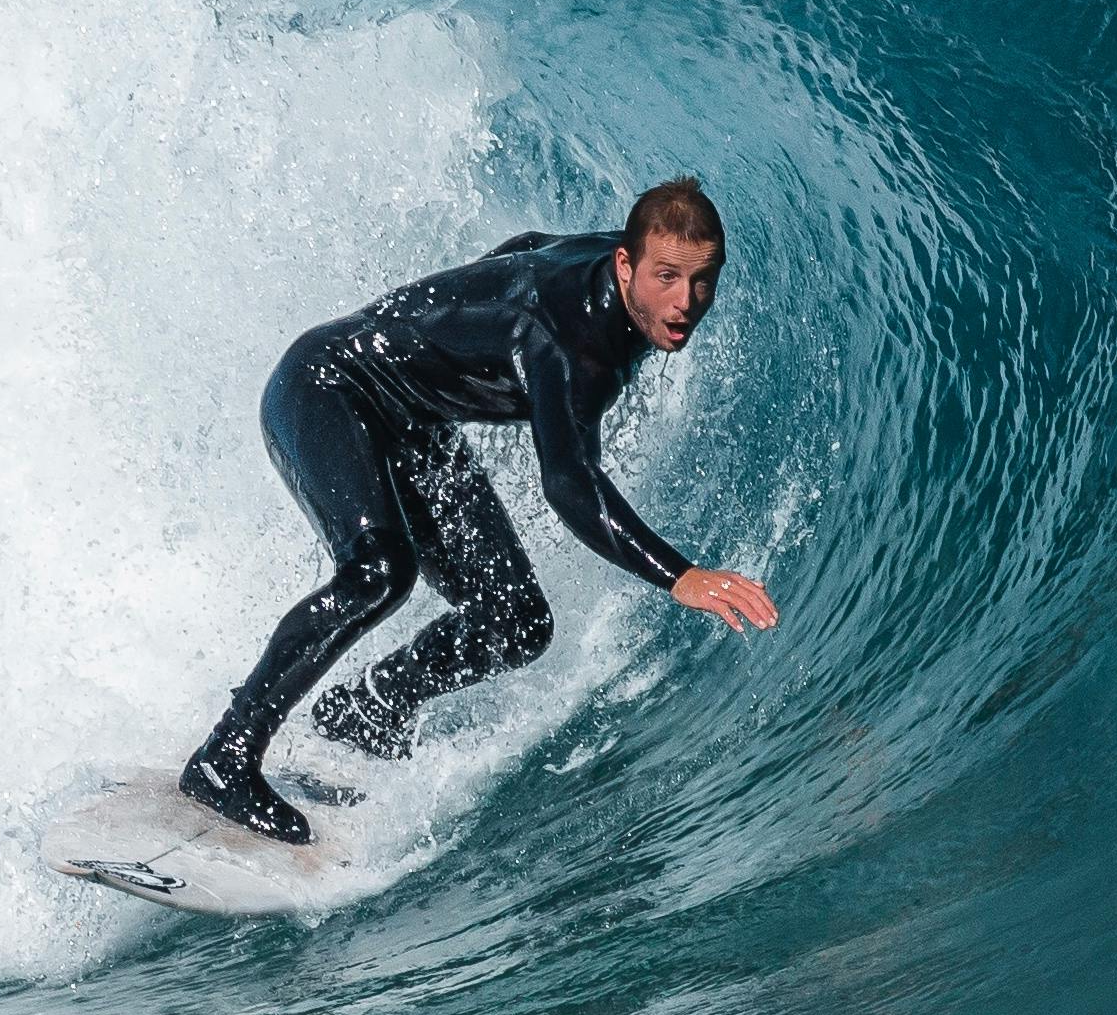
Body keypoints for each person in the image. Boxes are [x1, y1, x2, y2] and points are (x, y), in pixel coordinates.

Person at [181, 176, 778, 844]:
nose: (683, 303)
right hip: (326, 384)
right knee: (378, 574)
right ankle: (223, 759)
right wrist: (678, 575)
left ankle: (365, 711)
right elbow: (570, 486)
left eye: (701, 283)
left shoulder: (613, 268)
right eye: (666, 278)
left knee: (516, 620)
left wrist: (460, 349)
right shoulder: (567, 345)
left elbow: (523, 249)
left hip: (411, 418)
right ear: (624, 263)